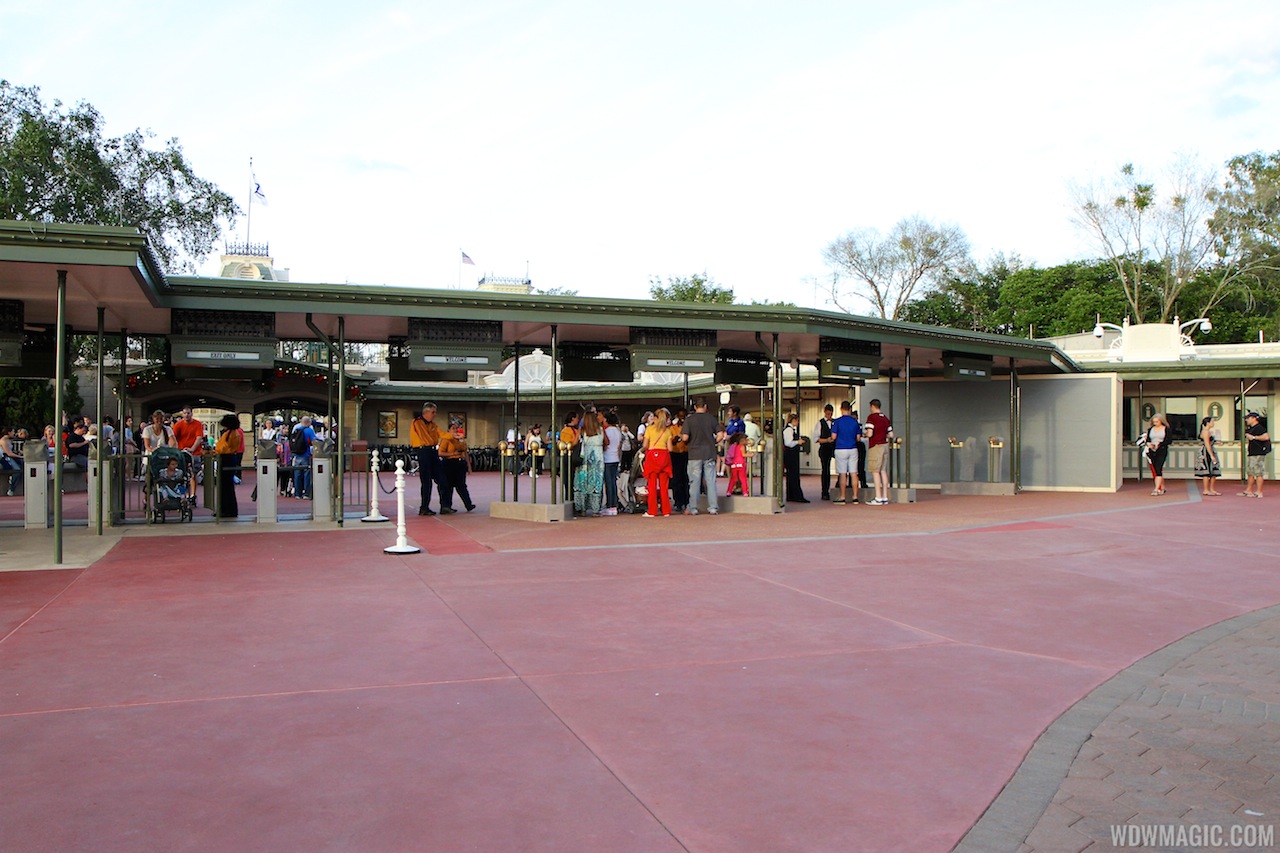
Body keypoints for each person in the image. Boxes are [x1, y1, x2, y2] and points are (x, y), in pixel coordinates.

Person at [682, 398, 724, 515]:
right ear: (705, 406)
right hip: (709, 453)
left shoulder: (689, 420)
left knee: (694, 482)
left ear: (695, 407)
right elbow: (720, 435)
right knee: (711, 481)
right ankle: (713, 507)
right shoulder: (711, 418)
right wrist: (714, 442)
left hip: (694, 453)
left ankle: (693, 508)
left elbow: (685, 437)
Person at [573, 408, 606, 517]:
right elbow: (607, 442)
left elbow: (574, 442)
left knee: (582, 483)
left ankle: (582, 509)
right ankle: (596, 510)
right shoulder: (600, 429)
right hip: (598, 459)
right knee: (596, 483)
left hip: (584, 459)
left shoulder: (582, 430)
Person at [409, 403, 441, 514]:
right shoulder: (417, 422)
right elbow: (425, 437)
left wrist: (453, 436)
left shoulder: (432, 425)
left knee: (441, 479)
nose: (434, 414)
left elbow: (440, 434)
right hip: (424, 451)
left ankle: (445, 506)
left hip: (432, 451)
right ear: (426, 412)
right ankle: (424, 507)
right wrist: (432, 441)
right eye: (433, 412)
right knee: (426, 481)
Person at [642, 408, 674, 517]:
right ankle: (666, 510)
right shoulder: (667, 431)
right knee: (664, 487)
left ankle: (652, 510)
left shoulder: (649, 429)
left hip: (652, 458)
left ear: (655, 418)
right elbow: (670, 448)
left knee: (652, 486)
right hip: (664, 458)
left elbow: (645, 445)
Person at [437, 424, 476, 514]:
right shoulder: (446, 440)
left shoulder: (461, 440)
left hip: (460, 463)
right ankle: (446, 506)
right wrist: (452, 454)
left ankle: (468, 504)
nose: (455, 431)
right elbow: (440, 453)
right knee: (448, 486)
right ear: (449, 430)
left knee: (461, 485)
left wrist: (469, 466)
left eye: (456, 429)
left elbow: (465, 452)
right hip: (449, 463)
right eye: (453, 429)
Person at [830, 400, 862, 505]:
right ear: (850, 409)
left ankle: (843, 497)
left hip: (840, 448)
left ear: (841, 409)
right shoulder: (855, 422)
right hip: (852, 448)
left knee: (843, 474)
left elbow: (833, 437)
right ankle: (855, 496)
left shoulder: (837, 422)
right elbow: (858, 438)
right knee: (854, 473)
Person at [864, 399, 894, 506]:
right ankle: (885, 496)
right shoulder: (885, 418)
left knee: (875, 470)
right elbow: (891, 435)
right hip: (885, 445)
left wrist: (865, 435)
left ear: (872, 406)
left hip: (875, 445)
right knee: (883, 470)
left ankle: (878, 497)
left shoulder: (871, 418)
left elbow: (870, 433)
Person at [214, 413, 244, 518]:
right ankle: (226, 509)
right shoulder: (232, 433)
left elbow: (223, 448)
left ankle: (227, 510)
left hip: (227, 458)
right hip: (228, 458)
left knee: (226, 486)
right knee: (226, 486)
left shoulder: (231, 434)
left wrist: (215, 450)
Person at [172, 406, 205, 495]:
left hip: (195, 453)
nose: (186, 415)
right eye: (185, 413)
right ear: (182, 414)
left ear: (191, 414)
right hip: (181, 453)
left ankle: (193, 495)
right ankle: (185, 495)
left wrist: (192, 449)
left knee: (193, 475)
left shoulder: (197, 424)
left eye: (188, 413)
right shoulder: (178, 425)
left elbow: (199, 438)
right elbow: (173, 438)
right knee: (182, 475)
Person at [1140, 413, 1171, 496]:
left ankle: (1156, 489)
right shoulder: (1150, 429)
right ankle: (1162, 487)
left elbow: (1169, 440)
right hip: (1152, 450)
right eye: (1154, 422)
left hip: (1162, 450)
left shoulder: (1166, 429)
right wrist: (1149, 444)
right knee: (1156, 469)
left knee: (1158, 468)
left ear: (1161, 421)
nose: (1155, 423)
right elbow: (1148, 440)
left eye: (1157, 422)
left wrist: (1160, 444)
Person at [1242, 411, 1271, 498]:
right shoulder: (1251, 428)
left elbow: (1266, 437)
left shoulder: (1259, 428)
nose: (1246, 420)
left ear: (1254, 418)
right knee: (1250, 472)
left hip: (1258, 453)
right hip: (1252, 453)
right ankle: (1249, 490)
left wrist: (1254, 437)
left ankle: (1259, 491)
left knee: (1258, 472)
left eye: (1248, 418)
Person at [782, 412, 808, 503]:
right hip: (790, 453)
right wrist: (798, 442)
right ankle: (797, 495)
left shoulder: (791, 430)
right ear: (793, 420)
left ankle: (791, 495)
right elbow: (788, 443)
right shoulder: (789, 430)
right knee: (794, 475)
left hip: (791, 454)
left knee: (791, 475)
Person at [290, 416, 317, 500]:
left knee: (297, 474)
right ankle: (306, 493)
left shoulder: (296, 430)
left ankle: (298, 493)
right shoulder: (309, 430)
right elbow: (314, 441)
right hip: (306, 454)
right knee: (307, 474)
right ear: (309, 423)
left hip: (297, 455)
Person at [813, 404, 836, 500]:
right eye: (827, 414)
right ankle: (825, 491)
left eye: (830, 414)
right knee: (825, 469)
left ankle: (839, 485)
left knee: (843, 467)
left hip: (835, 447)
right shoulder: (820, 423)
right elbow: (816, 438)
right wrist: (826, 440)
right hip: (825, 447)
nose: (829, 416)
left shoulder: (835, 422)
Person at [1195, 416, 1222, 496]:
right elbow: (1207, 444)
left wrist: (1216, 442)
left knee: (1213, 470)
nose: (1213, 423)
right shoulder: (1205, 432)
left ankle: (1212, 489)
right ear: (1208, 423)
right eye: (1212, 421)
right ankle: (1206, 489)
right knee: (1207, 471)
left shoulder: (1207, 431)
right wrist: (1212, 455)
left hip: (1209, 450)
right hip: (1207, 452)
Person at [669, 408, 690, 513]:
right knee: (676, 480)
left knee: (686, 479)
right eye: (680, 417)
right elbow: (670, 441)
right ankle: (678, 502)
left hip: (686, 454)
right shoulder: (672, 428)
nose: (682, 419)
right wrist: (676, 439)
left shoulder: (689, 427)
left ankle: (687, 501)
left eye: (684, 417)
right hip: (676, 454)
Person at [602, 411, 622, 516]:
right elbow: (619, 446)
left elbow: (605, 444)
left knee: (608, 483)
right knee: (613, 483)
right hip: (615, 458)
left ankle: (610, 505)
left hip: (607, 458)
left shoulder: (607, 431)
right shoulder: (618, 431)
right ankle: (614, 505)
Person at [725, 432, 750, 497]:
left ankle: (729, 491)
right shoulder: (742, 447)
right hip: (741, 464)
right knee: (743, 478)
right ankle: (745, 491)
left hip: (734, 464)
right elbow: (743, 454)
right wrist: (750, 455)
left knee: (733, 478)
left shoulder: (733, 446)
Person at [0, 425, 22, 496]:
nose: (14, 433)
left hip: (11, 457)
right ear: (8, 432)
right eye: (13, 431)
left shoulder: (9, 440)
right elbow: (8, 453)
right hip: (6, 458)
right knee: (17, 470)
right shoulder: (3, 441)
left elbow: (12, 451)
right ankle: (11, 488)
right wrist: (20, 456)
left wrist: (19, 452)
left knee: (22, 464)